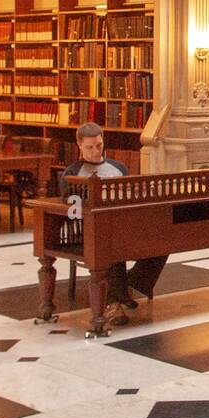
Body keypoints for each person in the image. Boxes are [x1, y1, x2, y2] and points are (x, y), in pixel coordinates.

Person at [61, 122, 167, 327]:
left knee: (162, 241)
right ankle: (112, 302)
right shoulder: (72, 173)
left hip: (122, 225)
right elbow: (71, 211)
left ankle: (128, 286)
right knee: (112, 244)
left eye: (99, 145)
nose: (95, 151)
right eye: (90, 147)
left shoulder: (118, 168)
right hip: (89, 231)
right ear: (79, 146)